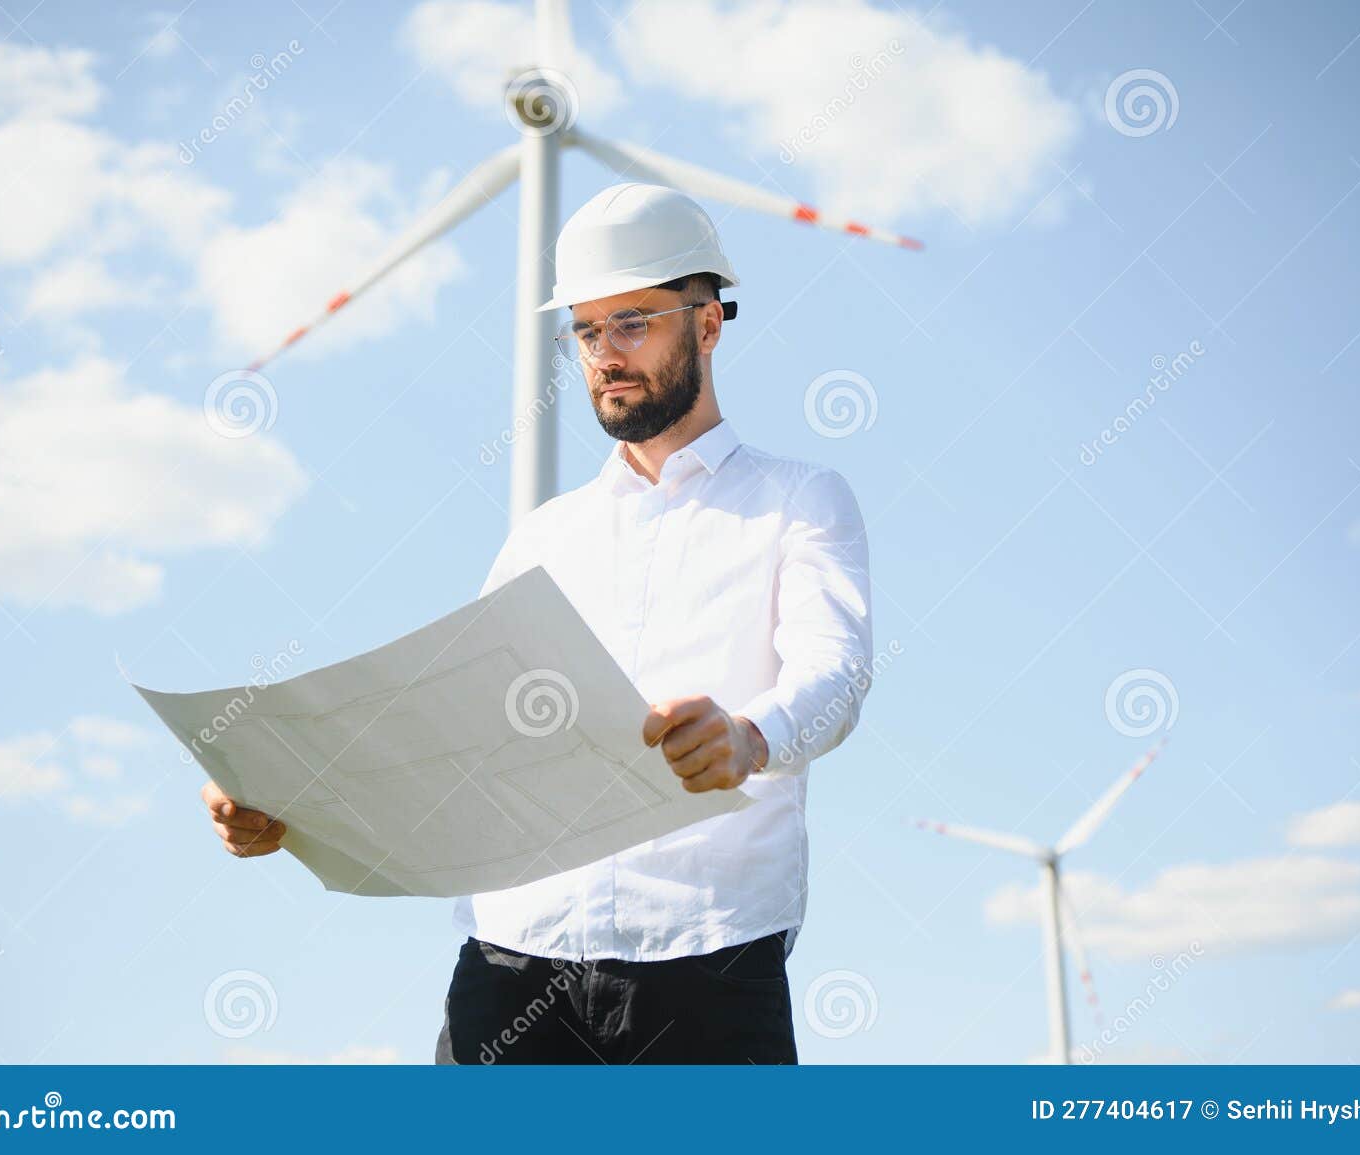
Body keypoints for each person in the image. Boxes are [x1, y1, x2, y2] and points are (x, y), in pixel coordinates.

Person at [200, 182, 874, 1064]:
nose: (606, 354)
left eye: (632, 323)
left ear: (708, 323)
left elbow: (837, 674)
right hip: (511, 962)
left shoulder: (800, 499)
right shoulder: (544, 537)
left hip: (708, 956)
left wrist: (751, 737)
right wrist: (292, 803)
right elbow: (459, 735)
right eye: (586, 332)